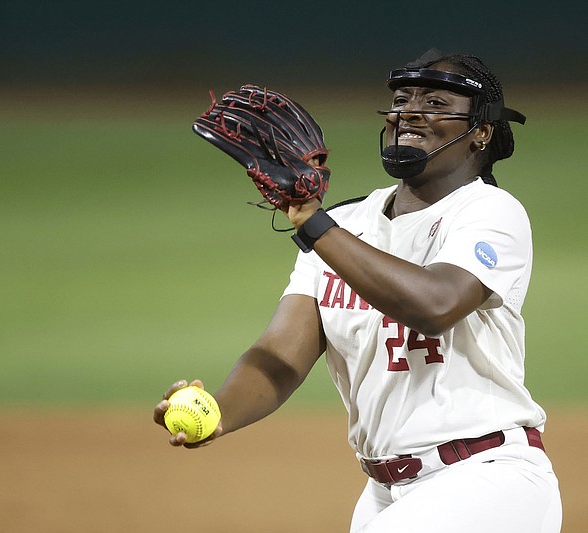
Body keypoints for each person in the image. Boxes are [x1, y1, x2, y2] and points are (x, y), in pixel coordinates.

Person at [153, 48, 562, 532]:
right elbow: (281, 355)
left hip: (485, 480)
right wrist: (221, 411)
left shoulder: (489, 213)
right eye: (403, 98)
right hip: (385, 495)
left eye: (434, 102)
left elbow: (436, 304)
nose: (409, 110)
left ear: (481, 133)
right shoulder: (344, 226)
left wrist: (313, 223)